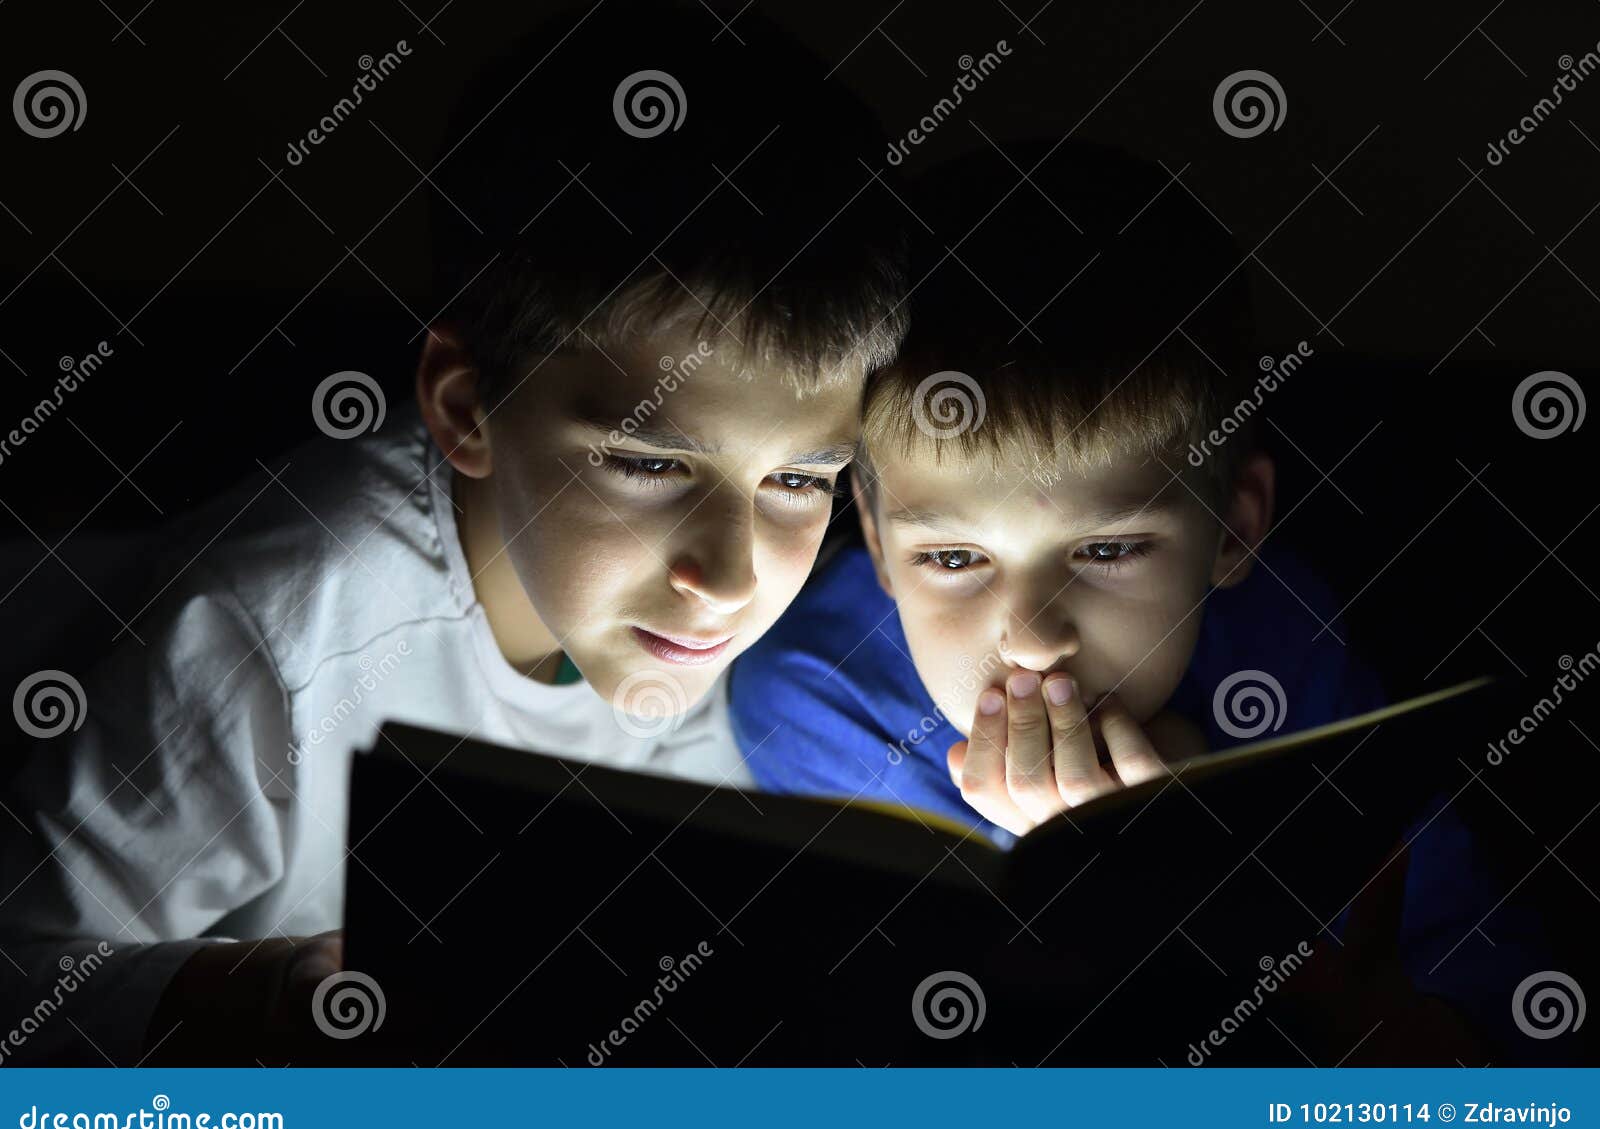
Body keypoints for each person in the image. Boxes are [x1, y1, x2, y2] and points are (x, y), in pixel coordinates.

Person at [0, 0, 908, 1065]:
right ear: (466, 408)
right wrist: (273, 1001)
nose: (730, 576)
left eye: (800, 479)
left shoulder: (716, 635)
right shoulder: (282, 633)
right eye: (652, 465)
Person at [729, 140, 1567, 1064]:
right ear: (880, 544)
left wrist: (1222, 852)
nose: (1036, 639)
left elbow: (1489, 1004)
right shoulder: (813, 698)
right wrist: (1108, 870)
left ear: (1234, 532)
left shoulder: (1287, 647)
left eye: (1109, 548)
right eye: (957, 556)